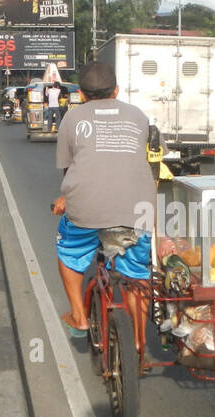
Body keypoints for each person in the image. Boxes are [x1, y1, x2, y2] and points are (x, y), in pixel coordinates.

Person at [51, 61, 155, 362]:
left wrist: (67, 197)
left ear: (81, 94)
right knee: (137, 275)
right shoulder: (138, 115)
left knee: (68, 256)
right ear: (117, 90)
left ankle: (80, 317)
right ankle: (138, 342)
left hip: (86, 208)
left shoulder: (72, 118)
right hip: (138, 210)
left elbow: (70, 169)